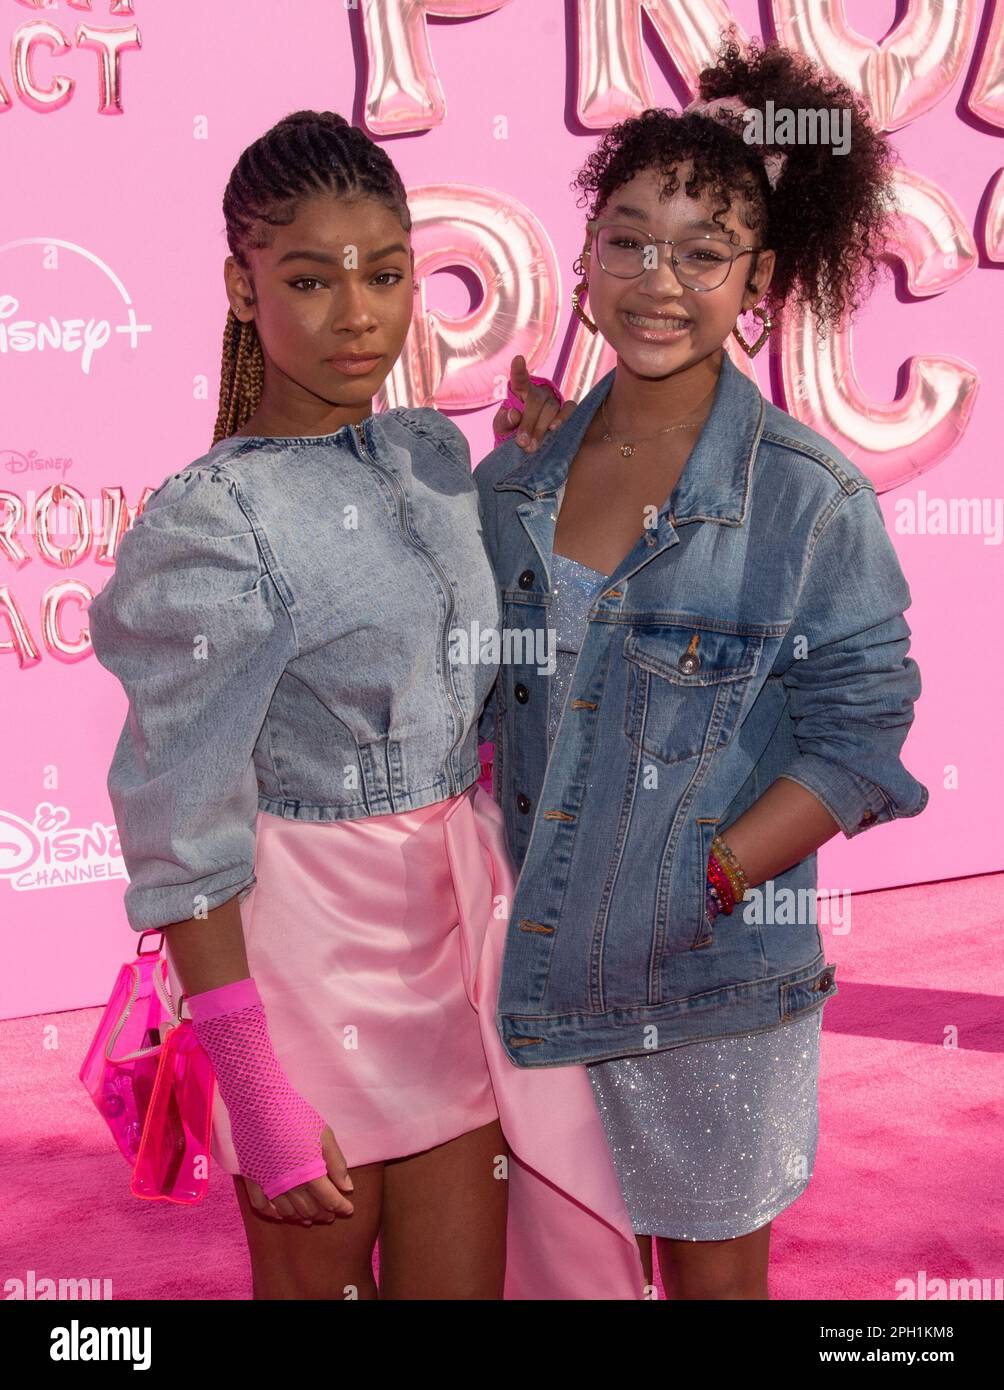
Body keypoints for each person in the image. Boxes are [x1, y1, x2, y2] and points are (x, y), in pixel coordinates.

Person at [88, 110, 646, 1301]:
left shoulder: (431, 457)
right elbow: (180, 828)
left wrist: (533, 477)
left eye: (385, 274)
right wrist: (250, 1076)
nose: (357, 314)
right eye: (308, 278)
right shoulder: (210, 521)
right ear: (243, 289)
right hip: (300, 968)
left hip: (456, 950)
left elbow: (509, 648)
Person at [474, 35, 929, 1300]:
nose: (655, 278)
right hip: (534, 976)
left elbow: (858, 736)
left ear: (760, 281)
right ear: (582, 261)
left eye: (701, 250)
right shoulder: (515, 477)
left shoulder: (805, 496)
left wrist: (711, 873)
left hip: (713, 982)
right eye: (626, 239)